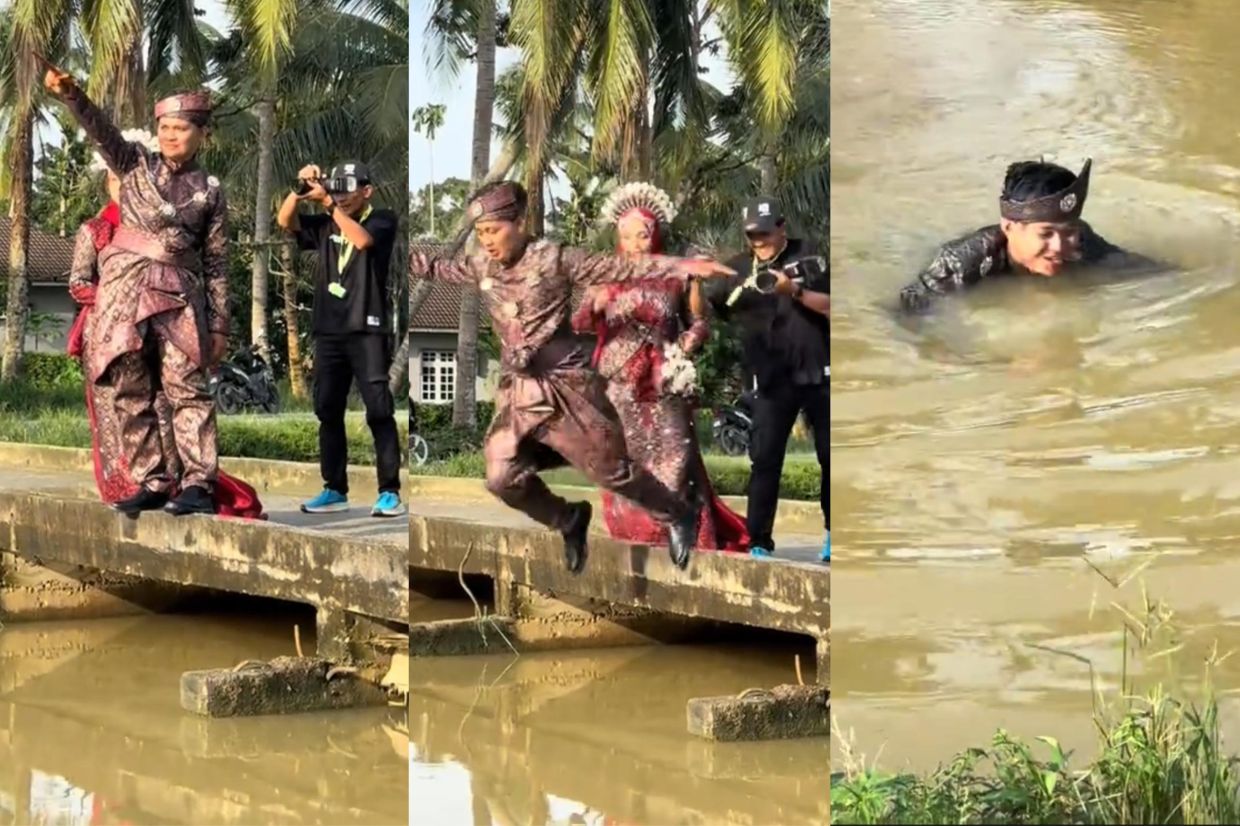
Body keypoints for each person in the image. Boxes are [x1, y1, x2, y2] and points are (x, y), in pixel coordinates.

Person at [409, 181, 736, 574]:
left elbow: (622, 266)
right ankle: (568, 520)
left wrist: (682, 266)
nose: (487, 242)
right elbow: (434, 266)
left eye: (494, 231)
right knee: (500, 477)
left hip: (568, 390)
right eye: (480, 234)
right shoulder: (481, 265)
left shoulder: (555, 259)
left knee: (612, 472)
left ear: (520, 222)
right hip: (521, 393)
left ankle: (676, 512)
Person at [44, 61, 230, 517]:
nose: (170, 136)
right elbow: (101, 131)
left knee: (185, 386)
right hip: (123, 294)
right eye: (164, 127)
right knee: (129, 385)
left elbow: (218, 262)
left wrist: (221, 324)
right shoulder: (133, 166)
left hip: (179, 299)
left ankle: (199, 484)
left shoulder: (210, 189)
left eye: (181, 128)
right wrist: (74, 96)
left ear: (201, 133)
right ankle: (152, 478)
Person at [68, 136, 265, 519]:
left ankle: (190, 483)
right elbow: (78, 282)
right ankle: (142, 481)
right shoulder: (96, 229)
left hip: (172, 317)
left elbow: (216, 265)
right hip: (113, 329)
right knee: (125, 404)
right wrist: (111, 299)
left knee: (179, 398)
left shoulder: (188, 208)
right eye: (114, 180)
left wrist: (217, 323)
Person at [571, 182, 748, 552]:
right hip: (618, 383)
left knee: (675, 454)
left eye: (643, 235)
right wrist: (594, 303)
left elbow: (699, 323)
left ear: (655, 235)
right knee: (627, 461)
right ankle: (635, 538)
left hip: (663, 378)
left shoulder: (678, 276)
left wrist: (685, 346)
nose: (636, 244)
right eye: (627, 236)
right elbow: (581, 324)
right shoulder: (605, 276)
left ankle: (679, 528)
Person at [703, 196, 830, 561]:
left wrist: (794, 291)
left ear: (782, 227)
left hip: (819, 372)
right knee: (765, 459)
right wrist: (696, 283)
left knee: (830, 458)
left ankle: (833, 536)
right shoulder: (737, 269)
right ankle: (759, 540)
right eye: (752, 235)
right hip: (771, 379)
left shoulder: (811, 255)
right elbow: (709, 313)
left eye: (764, 233)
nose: (758, 241)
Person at [277, 161, 404, 517]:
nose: (343, 195)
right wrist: (299, 188)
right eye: (337, 187)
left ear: (367, 191)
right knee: (327, 409)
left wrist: (330, 205)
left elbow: (361, 241)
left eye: (350, 189)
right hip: (329, 330)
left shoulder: (382, 219)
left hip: (366, 329)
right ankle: (334, 489)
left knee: (379, 410)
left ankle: (390, 492)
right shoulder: (326, 223)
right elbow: (286, 222)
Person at [899, 158, 1154, 312]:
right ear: (1009, 227)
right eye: (1046, 234)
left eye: (1069, 233)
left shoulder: (1081, 242)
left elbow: (1137, 269)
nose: (1060, 246)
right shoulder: (959, 261)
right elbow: (909, 312)